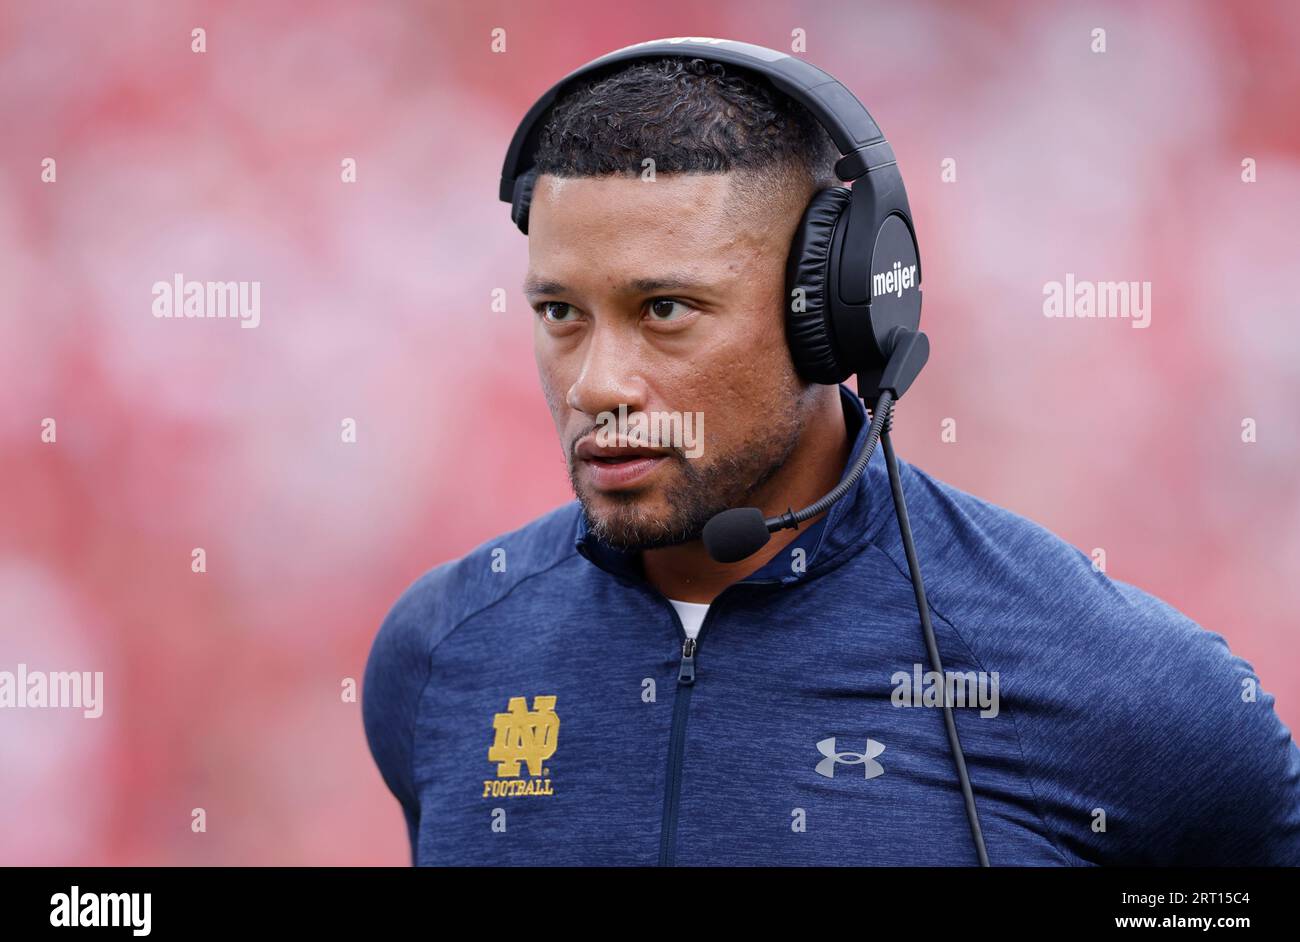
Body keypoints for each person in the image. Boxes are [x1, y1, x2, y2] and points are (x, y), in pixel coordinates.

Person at [363, 42, 1300, 866]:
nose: (596, 385)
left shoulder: (1115, 681)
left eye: (666, 310)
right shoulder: (442, 652)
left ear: (833, 315)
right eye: (560, 313)